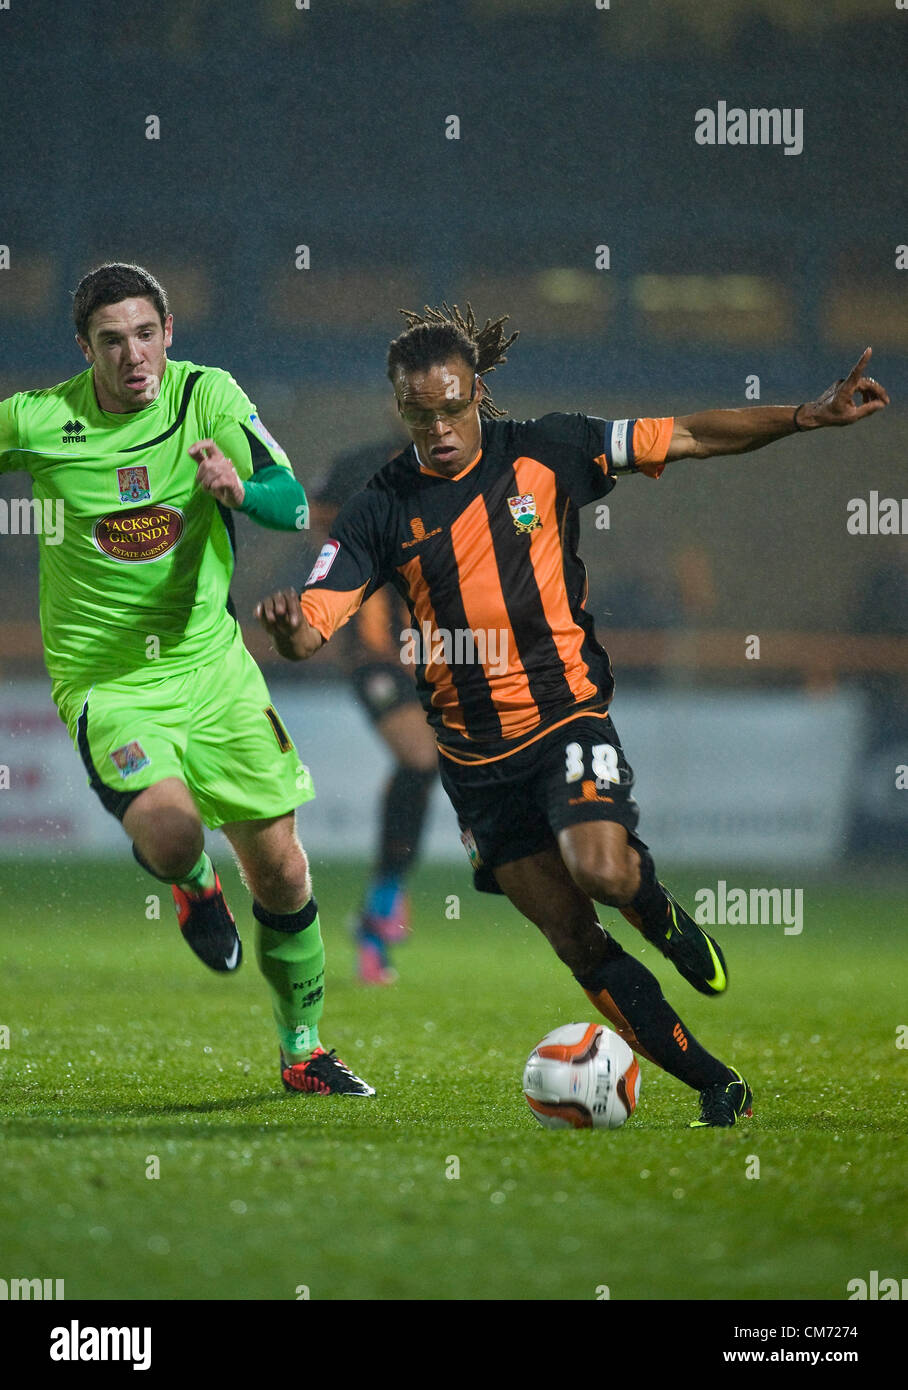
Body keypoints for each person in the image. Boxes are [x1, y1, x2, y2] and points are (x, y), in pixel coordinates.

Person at [255, 302, 888, 1126]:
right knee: (574, 938)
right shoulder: (381, 505)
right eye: (420, 413)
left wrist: (806, 415)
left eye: (452, 407)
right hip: (475, 762)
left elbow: (691, 434)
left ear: (476, 392)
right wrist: (290, 630)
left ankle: (656, 908)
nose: (439, 427)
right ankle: (715, 1082)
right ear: (400, 408)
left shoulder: (550, 448)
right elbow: (316, 624)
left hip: (565, 721)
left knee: (602, 870)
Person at [0, 261, 373, 1098]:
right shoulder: (38, 420)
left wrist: (239, 488)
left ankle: (304, 1051)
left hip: (215, 673)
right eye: (111, 341)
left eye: (145, 334)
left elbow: (289, 500)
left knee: (282, 872)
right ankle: (195, 885)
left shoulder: (208, 396)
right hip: (112, 684)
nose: (133, 355)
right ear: (84, 350)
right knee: (171, 836)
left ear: (168, 333)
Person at [310, 441, 438, 984]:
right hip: (375, 652)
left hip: (435, 649)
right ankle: (383, 904)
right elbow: (317, 514)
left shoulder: (464, 464)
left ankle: (382, 905)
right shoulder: (363, 460)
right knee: (422, 757)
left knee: (430, 769)